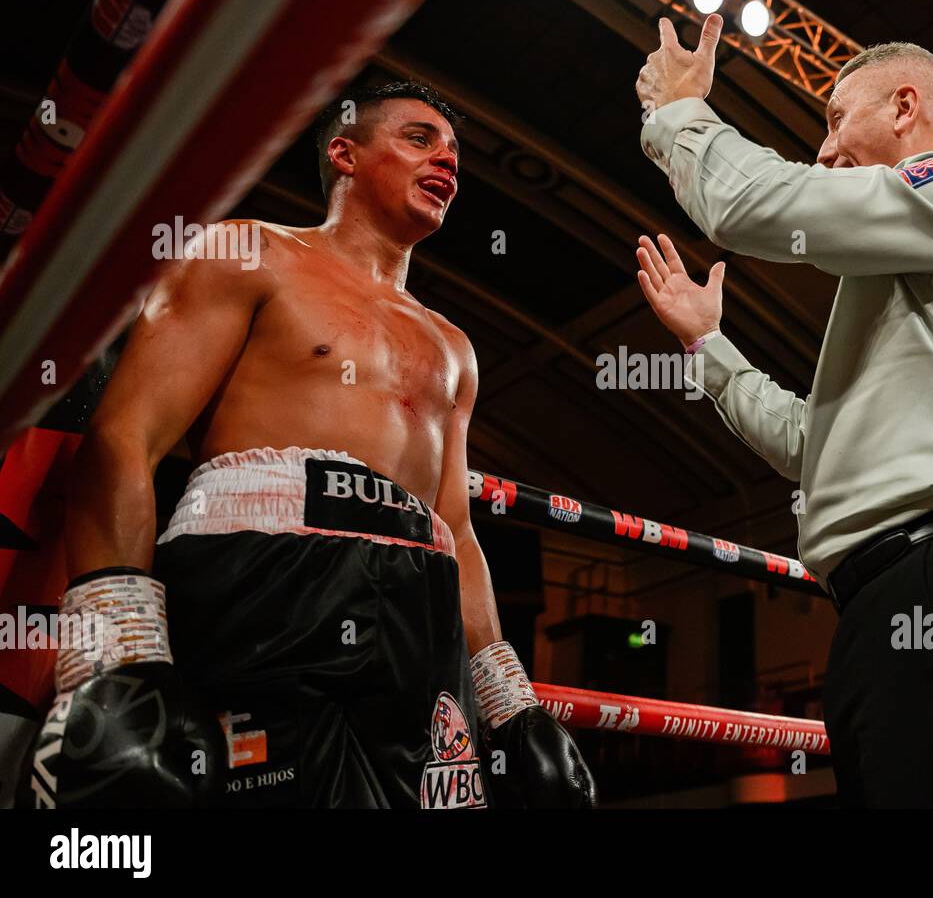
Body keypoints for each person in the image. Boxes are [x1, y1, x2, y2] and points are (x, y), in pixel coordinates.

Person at [24, 82, 595, 809]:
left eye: (454, 152)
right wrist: (121, 657)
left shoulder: (454, 347)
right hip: (266, 582)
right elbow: (124, 437)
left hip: (418, 616)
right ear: (343, 152)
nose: (448, 160)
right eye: (420, 139)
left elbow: (456, 526)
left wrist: (510, 700)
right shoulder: (249, 252)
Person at [634, 17, 933, 807]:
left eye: (838, 118)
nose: (824, 147)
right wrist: (710, 348)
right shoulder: (909, 283)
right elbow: (818, 444)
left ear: (907, 106)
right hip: (902, 595)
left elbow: (758, 204)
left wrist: (679, 112)